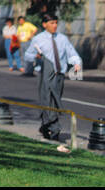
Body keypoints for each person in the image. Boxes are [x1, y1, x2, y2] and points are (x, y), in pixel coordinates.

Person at [22, 13, 82, 141]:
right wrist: (36, 57)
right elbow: (27, 56)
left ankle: (45, 126)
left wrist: (76, 63)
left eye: (56, 23)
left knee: (55, 101)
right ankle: (55, 129)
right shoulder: (38, 39)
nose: (55, 26)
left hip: (59, 75)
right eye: (52, 23)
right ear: (44, 25)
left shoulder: (62, 38)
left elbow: (71, 52)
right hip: (45, 75)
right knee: (47, 100)